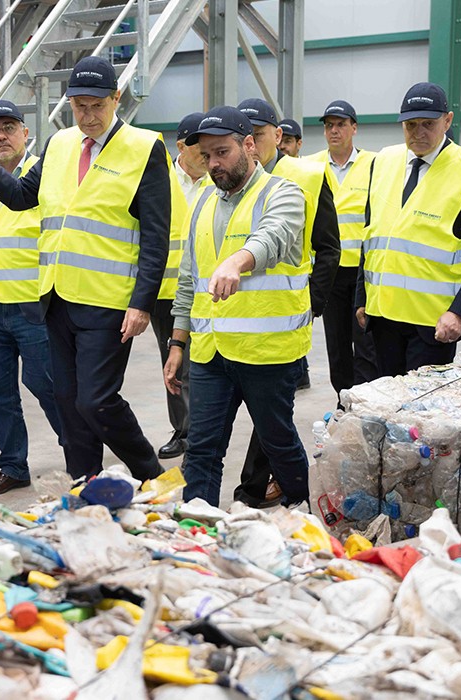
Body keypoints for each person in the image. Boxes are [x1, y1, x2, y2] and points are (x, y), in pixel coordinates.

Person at [0, 56, 170, 482]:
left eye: (97, 105)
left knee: (96, 400)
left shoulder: (145, 148)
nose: (88, 117)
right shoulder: (59, 146)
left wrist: (142, 303)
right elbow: (20, 197)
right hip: (56, 301)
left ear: (117, 98)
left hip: (109, 302)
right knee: (69, 404)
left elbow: (155, 235)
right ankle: (85, 483)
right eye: (79, 107)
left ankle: (151, 473)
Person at [163, 106, 310, 507]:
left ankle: (305, 508)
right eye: (207, 155)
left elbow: (274, 236)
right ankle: (198, 526)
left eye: (222, 152)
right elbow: (189, 279)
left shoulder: (283, 193)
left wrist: (238, 260)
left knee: (277, 442)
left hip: (266, 351)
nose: (214, 163)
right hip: (211, 352)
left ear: (250, 145)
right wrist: (178, 343)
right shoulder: (204, 203)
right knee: (202, 447)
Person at [232, 97, 341, 508]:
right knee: (265, 411)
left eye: (257, 137)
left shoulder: (309, 176)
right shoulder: (228, 180)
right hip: (237, 315)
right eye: (242, 139)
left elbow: (328, 248)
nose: (250, 147)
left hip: (287, 315)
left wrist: (311, 303)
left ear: (277, 136)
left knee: (272, 411)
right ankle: (260, 486)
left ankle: (258, 486)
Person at [354, 82, 461, 376]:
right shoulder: (382, 162)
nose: (418, 132)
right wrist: (362, 298)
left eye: (428, 124)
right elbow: (371, 235)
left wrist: (460, 313)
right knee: (387, 405)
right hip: (383, 317)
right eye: (410, 125)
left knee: (420, 414)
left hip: (434, 324)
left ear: (447, 120)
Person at [0, 100, 68, 495]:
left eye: (10, 127)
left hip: (33, 306)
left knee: (49, 386)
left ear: (26, 133)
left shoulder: (44, 175)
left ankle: (78, 453)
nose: (2, 136)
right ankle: (13, 466)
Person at [306, 99, 379, 402]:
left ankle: (365, 400)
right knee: (336, 344)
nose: (334, 131)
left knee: (365, 340)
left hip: (364, 271)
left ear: (354, 128)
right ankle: (344, 400)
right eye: (329, 125)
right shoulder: (309, 166)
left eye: (340, 124)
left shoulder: (376, 164)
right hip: (329, 271)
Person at [151, 112, 207, 460]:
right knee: (174, 364)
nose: (207, 158)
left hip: (206, 290)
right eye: (200, 151)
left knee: (203, 365)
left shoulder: (217, 183)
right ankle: (183, 432)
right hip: (164, 293)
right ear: (181, 146)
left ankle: (202, 431)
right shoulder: (159, 179)